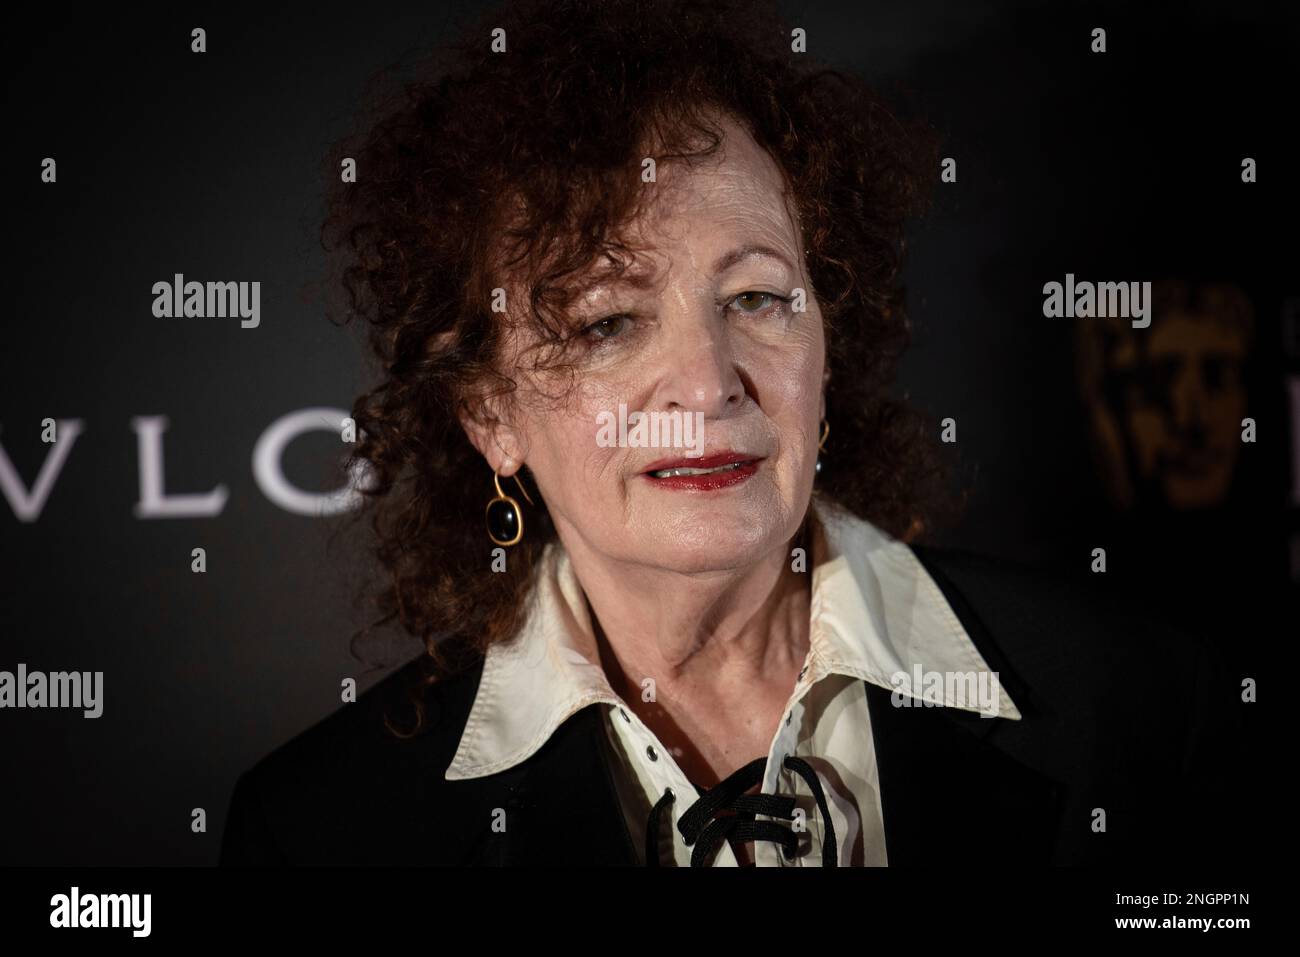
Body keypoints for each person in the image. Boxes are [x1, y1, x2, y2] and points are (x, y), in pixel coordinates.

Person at [220, 0, 1244, 867]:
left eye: (756, 297)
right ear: (490, 416)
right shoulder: (326, 828)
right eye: (606, 323)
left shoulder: (1139, 701)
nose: (709, 384)